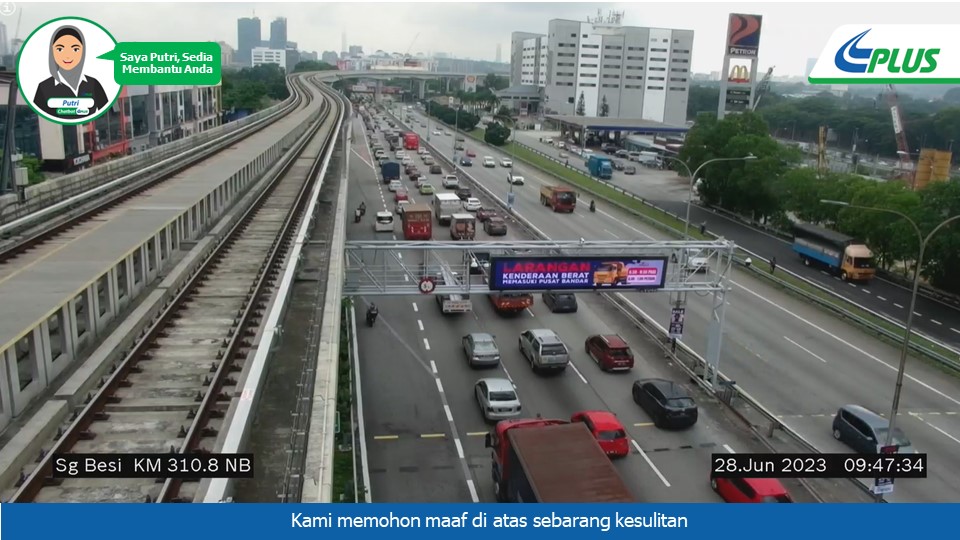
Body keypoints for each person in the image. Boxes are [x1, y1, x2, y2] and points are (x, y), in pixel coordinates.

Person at [32, 25, 109, 121]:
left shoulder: (94, 84)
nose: (68, 56)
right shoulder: (44, 87)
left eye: (75, 49)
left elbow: (107, 113)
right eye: (60, 49)